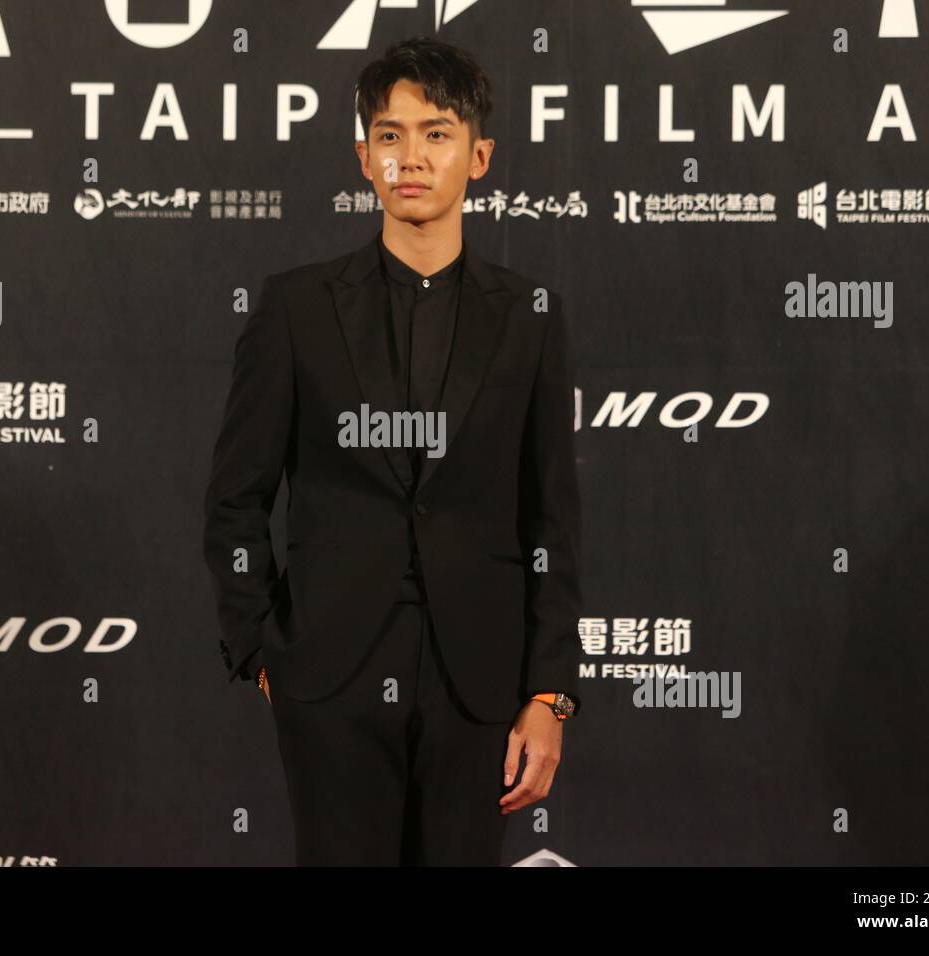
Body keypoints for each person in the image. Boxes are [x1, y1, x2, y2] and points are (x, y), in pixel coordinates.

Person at [202, 34, 582, 866]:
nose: (411, 156)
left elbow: (552, 515)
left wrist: (550, 693)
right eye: (390, 135)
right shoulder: (294, 310)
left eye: (436, 133)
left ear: (479, 156)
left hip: (478, 684)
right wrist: (265, 656)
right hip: (330, 678)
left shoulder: (529, 317)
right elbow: (235, 501)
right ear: (362, 156)